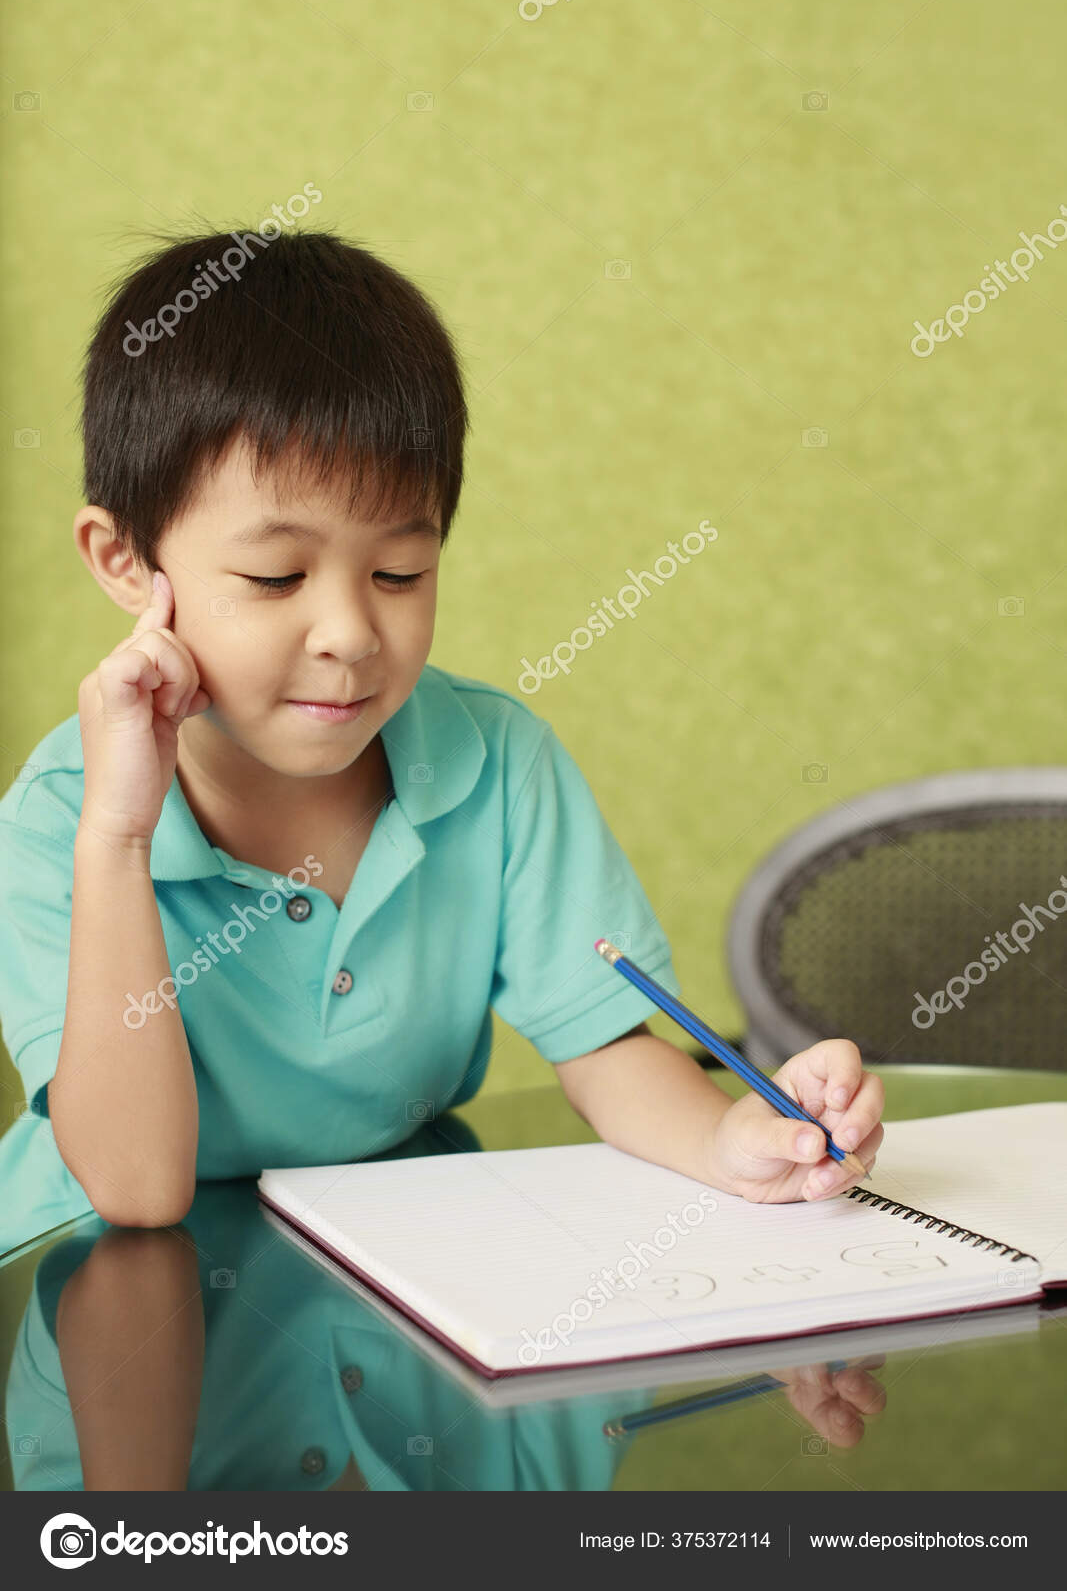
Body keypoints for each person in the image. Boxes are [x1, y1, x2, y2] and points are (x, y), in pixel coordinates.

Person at [0, 228, 883, 1254]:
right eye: (277, 577)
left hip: (393, 1256)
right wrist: (119, 839)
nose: (349, 634)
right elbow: (137, 1188)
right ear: (123, 560)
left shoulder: (495, 761)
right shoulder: (62, 818)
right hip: (96, 1275)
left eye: (399, 574)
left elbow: (604, 1045)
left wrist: (730, 1140)